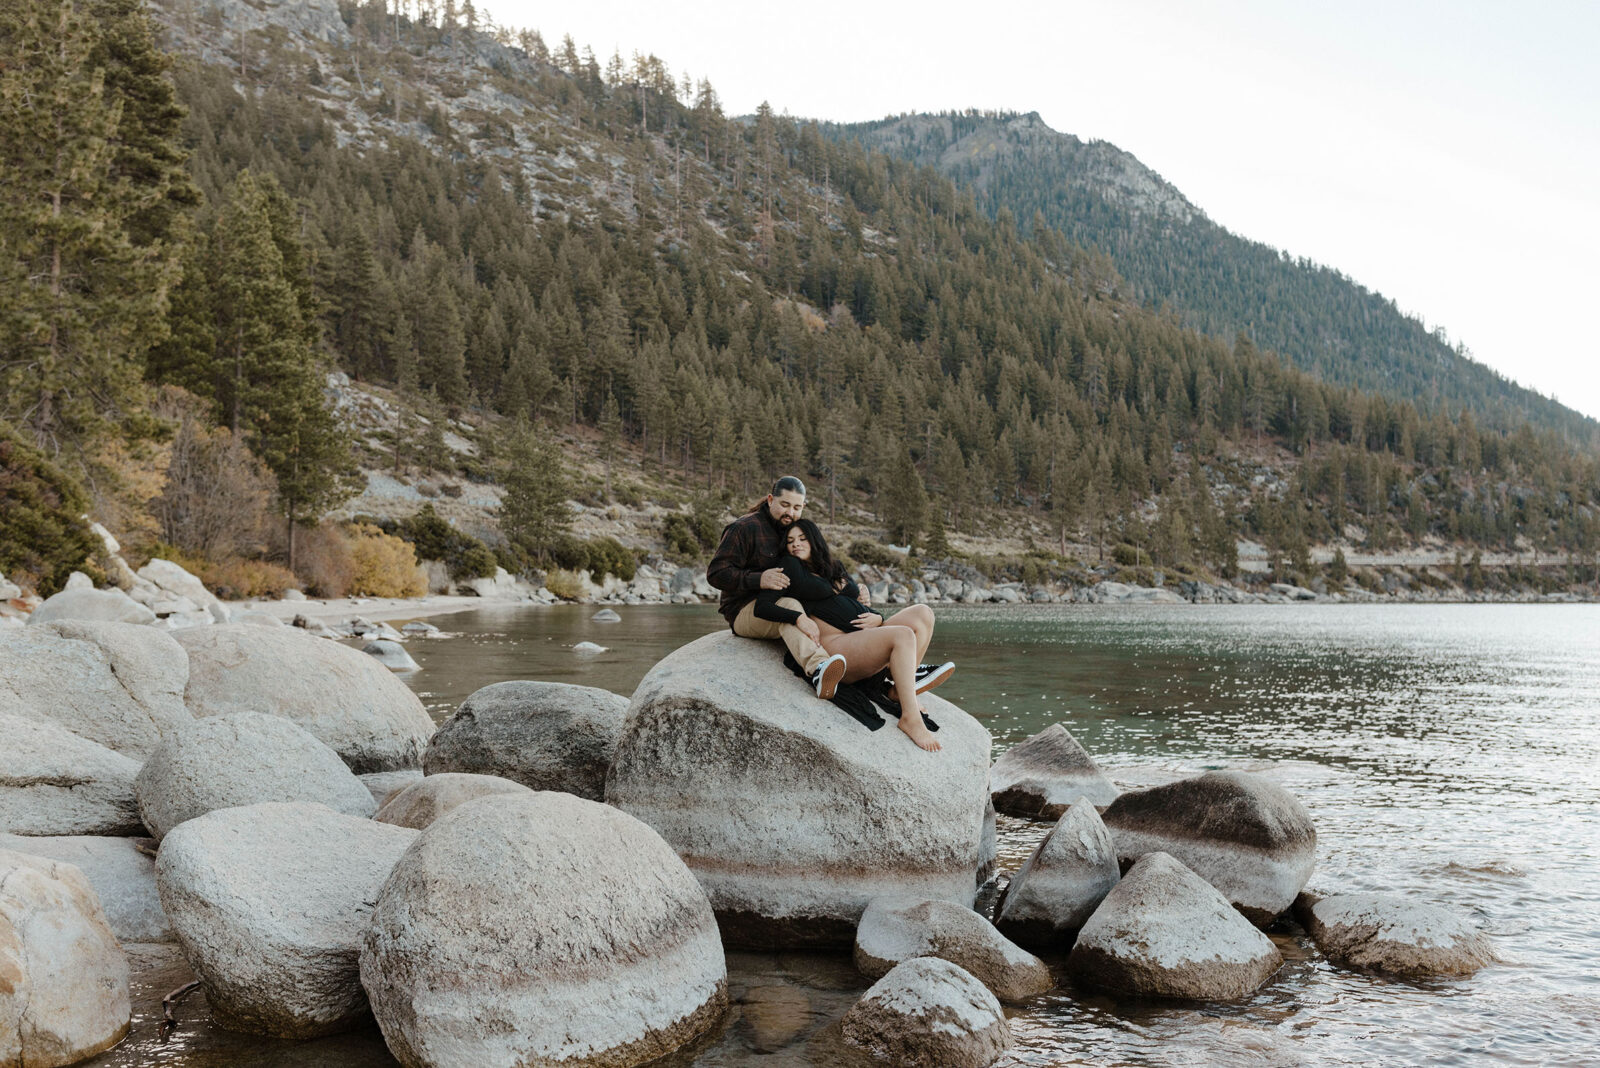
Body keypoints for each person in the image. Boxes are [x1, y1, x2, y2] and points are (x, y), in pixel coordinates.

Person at [753, 518, 953, 752]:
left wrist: (877, 617)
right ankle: (910, 717)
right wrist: (799, 618)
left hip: (864, 637)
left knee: (923, 613)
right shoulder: (789, 567)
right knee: (904, 636)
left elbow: (857, 602)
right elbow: (762, 606)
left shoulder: (831, 566)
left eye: (802, 538)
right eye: (790, 541)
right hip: (838, 645)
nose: (795, 544)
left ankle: (899, 689)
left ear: (814, 539)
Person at [706, 476, 848, 698]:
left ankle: (869, 670)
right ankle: (819, 668)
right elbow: (716, 573)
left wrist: (851, 587)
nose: (790, 513)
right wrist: (758, 579)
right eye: (785, 505)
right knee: (789, 606)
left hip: (780, 604)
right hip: (744, 609)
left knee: (820, 604)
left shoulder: (794, 531)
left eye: (797, 507)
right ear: (771, 499)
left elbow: (821, 561)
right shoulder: (744, 528)